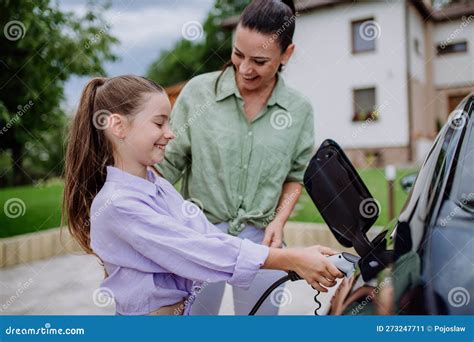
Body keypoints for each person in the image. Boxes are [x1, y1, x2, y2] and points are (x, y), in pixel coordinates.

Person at [62, 75, 342, 316]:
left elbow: (206, 236)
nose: (170, 134)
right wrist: (289, 259)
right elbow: (194, 251)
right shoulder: (118, 204)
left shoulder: (156, 183)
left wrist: (295, 256)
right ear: (118, 126)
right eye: (159, 123)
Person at [156, 0, 314, 315]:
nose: (244, 69)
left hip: (262, 242)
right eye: (238, 54)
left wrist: (279, 221)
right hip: (199, 234)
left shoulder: (299, 110)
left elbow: (296, 176)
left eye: (259, 60)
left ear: (287, 54)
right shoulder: (198, 93)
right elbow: (164, 166)